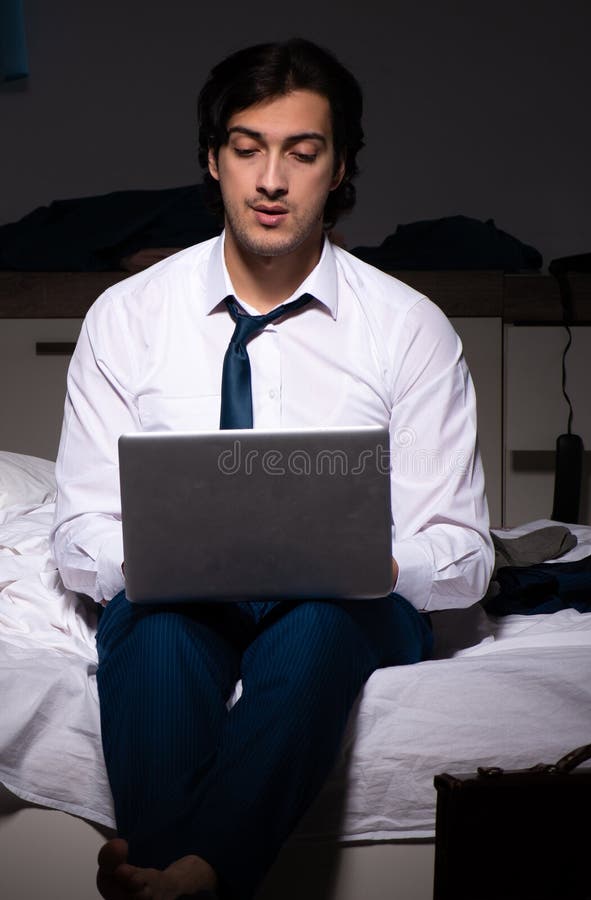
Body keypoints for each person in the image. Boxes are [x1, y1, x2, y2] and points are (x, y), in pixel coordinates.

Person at [51, 37, 493, 900]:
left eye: (302, 151)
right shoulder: (128, 318)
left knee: (322, 623)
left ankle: (181, 870)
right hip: (180, 595)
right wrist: (161, 560)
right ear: (213, 162)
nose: (271, 180)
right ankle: (181, 877)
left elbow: (467, 556)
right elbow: (77, 534)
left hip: (346, 604)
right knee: (154, 628)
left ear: (339, 168)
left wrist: (365, 561)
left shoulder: (408, 327)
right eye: (247, 148)